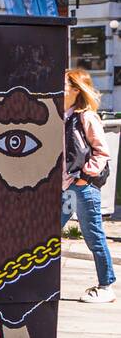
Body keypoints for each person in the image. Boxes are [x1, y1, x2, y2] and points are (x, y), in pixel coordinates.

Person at [62, 68, 115, 303]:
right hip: (64, 188)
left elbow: (102, 152)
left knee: (93, 236)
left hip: (83, 187)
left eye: (62, 82)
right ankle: (39, 281)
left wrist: (84, 176)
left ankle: (106, 286)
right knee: (48, 237)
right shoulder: (61, 115)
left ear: (75, 89)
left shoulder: (85, 116)